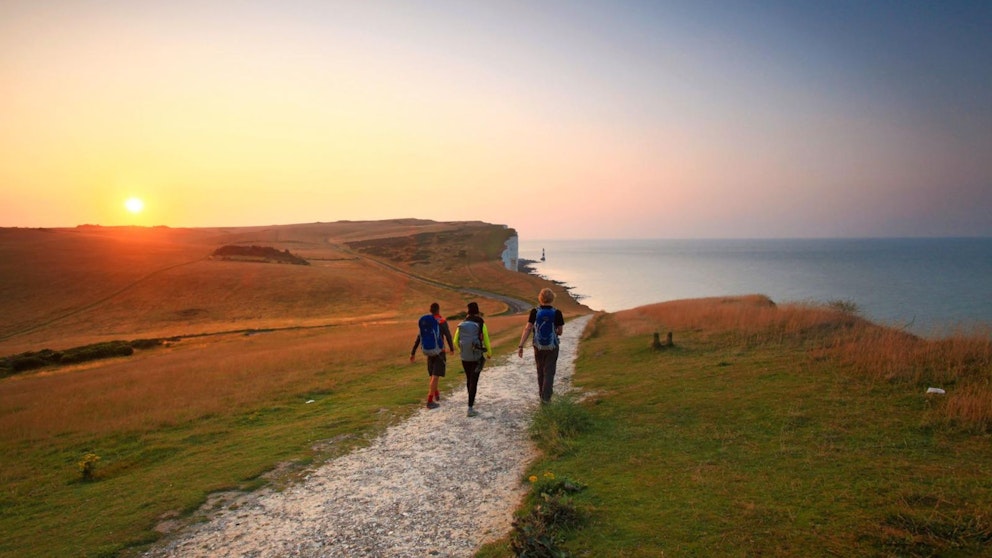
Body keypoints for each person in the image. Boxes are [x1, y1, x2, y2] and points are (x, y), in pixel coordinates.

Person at [517, 288, 565, 403]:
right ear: (552, 298)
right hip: (552, 347)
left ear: (540, 298)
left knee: (540, 370)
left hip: (537, 346)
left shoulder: (535, 311)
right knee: (549, 371)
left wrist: (521, 345)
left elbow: (528, 328)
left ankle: (541, 395)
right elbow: (560, 332)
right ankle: (546, 398)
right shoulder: (557, 312)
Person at [410, 302, 454, 409]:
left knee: (433, 375)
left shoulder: (426, 322)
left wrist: (413, 352)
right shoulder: (442, 321)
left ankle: (437, 394)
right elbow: (448, 335)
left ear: (430, 310)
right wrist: (452, 348)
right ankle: (430, 401)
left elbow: (419, 338)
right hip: (439, 351)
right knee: (435, 376)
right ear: (438, 310)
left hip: (429, 352)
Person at [452, 301, 493, 417]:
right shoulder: (480, 323)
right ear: (477, 311)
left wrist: (462, 351)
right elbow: (486, 339)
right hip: (477, 356)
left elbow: (455, 341)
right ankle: (470, 408)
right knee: (474, 381)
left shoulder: (462, 324)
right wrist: (489, 352)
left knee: (469, 379)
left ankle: (471, 401)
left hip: (465, 357)